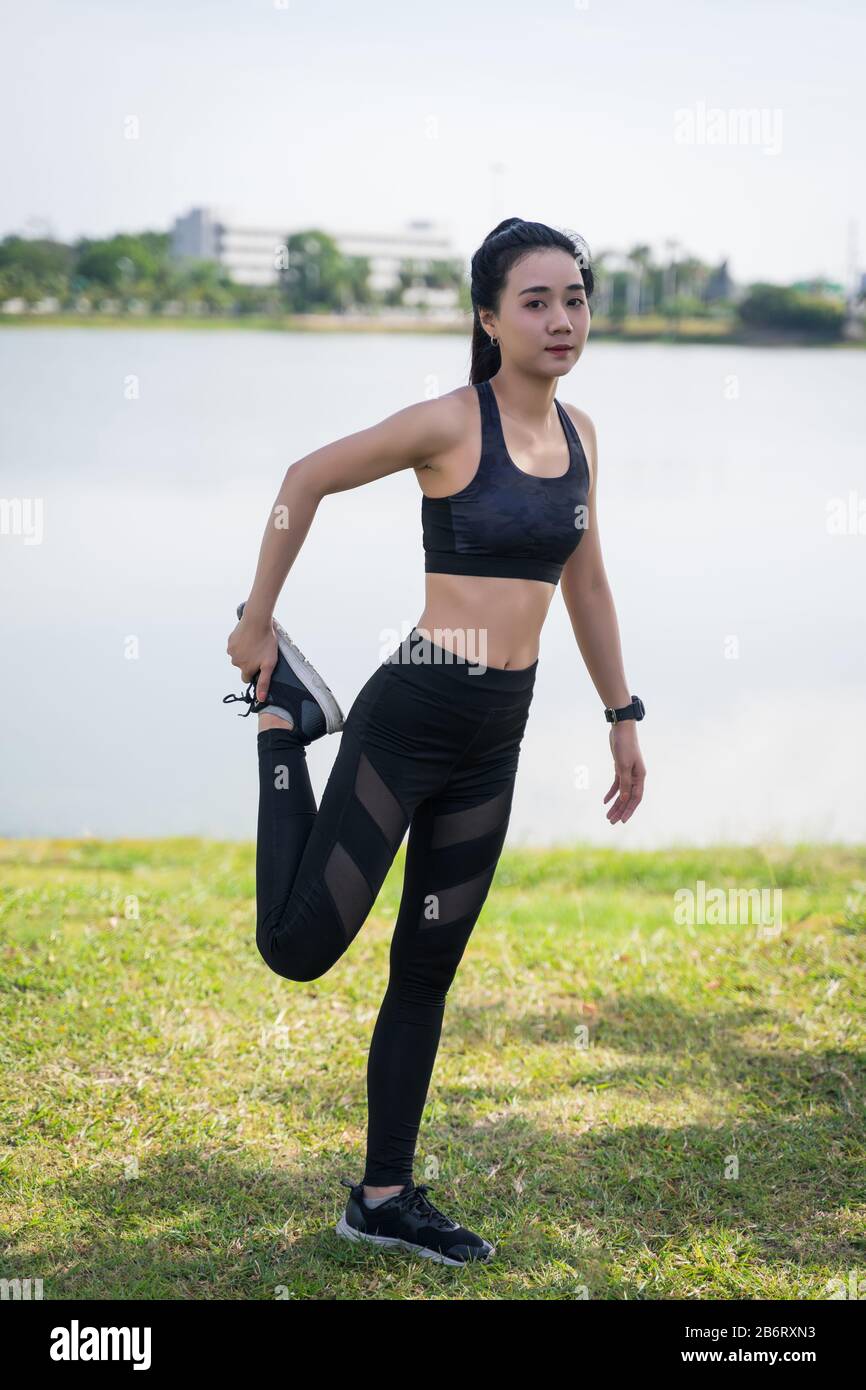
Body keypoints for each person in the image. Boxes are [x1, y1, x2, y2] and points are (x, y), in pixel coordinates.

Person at [224, 217, 646, 1268]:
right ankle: (287, 729)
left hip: (493, 735)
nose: (559, 320)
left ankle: (382, 1196)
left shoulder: (583, 435)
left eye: (573, 299)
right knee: (299, 947)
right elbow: (303, 477)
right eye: (536, 301)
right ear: (489, 317)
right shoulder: (451, 423)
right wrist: (256, 620)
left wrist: (621, 713)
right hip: (411, 713)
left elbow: (585, 583)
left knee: (425, 968)